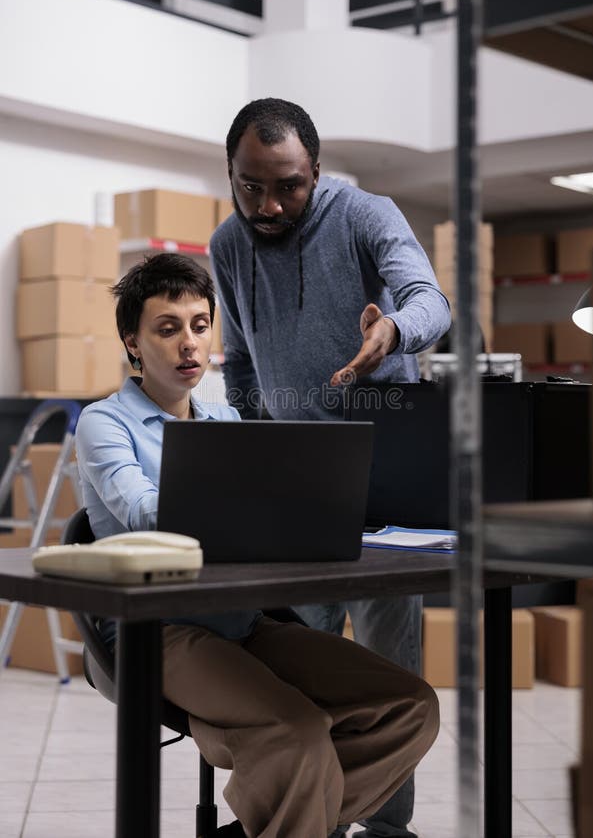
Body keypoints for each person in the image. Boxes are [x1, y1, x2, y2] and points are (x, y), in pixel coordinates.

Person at [75, 253, 440, 838]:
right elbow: (147, 513)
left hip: (242, 621)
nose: (189, 343)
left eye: (200, 325)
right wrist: (253, 506)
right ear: (133, 343)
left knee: (411, 706)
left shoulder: (225, 418)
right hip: (156, 630)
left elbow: (261, 516)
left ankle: (278, 821)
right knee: (297, 733)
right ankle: (291, 812)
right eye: (167, 329)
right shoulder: (105, 421)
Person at [210, 98, 452, 838]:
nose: (269, 205)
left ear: (315, 171)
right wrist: (251, 445)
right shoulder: (228, 244)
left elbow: (431, 301)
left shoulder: (365, 216)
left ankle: (386, 829)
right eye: (251, 186)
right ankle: (313, 819)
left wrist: (394, 331)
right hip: (295, 485)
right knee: (300, 671)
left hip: (383, 475)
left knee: (387, 675)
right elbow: (241, 360)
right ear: (231, 174)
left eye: (288, 186)